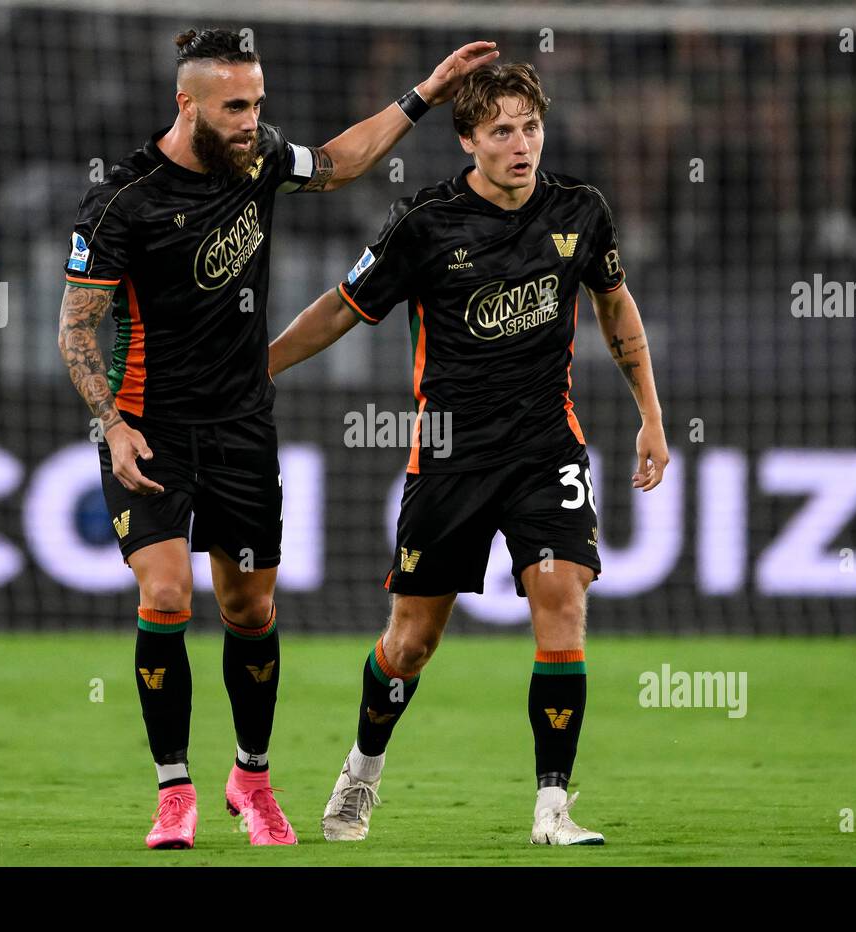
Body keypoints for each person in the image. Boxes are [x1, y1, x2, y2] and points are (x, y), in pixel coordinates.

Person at [57, 28, 499, 849]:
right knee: (165, 597)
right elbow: (78, 329)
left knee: (248, 608)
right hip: (147, 429)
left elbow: (338, 162)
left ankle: (251, 778)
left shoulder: (257, 159)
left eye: (257, 103)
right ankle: (174, 792)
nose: (252, 120)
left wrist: (425, 95)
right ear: (185, 102)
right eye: (235, 106)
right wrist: (110, 426)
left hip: (243, 429)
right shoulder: (123, 201)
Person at [268, 62, 670, 846]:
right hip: (449, 458)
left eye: (530, 127)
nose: (521, 145)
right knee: (411, 642)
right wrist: (261, 367)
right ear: (467, 140)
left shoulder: (580, 210)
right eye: (501, 132)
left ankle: (553, 810)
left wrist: (651, 415)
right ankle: (362, 769)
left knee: (562, 602)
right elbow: (342, 309)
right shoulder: (424, 222)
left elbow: (615, 304)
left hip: (545, 447)